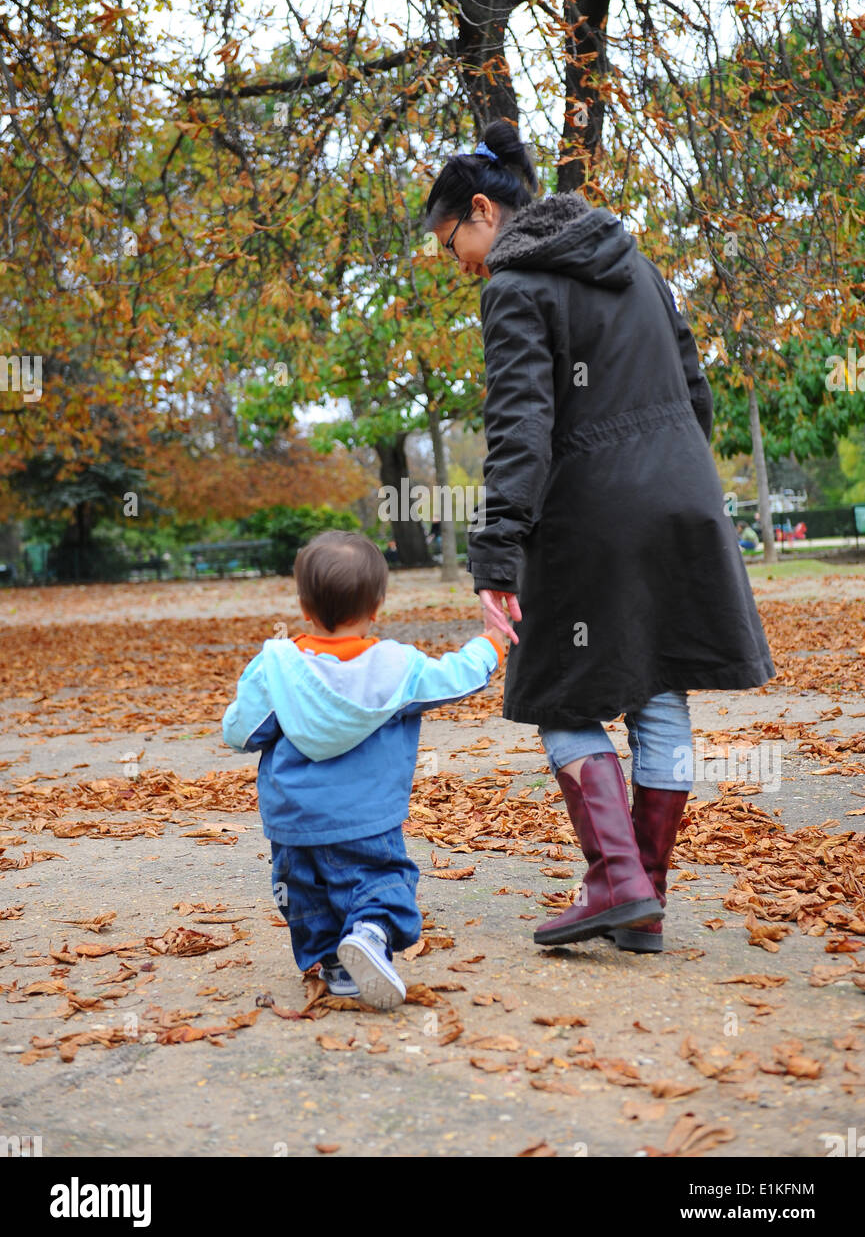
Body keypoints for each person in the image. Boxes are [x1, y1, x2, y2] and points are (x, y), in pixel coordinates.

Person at [424, 120, 775, 954]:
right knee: (658, 687)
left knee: (558, 689)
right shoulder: (637, 264)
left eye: (453, 243)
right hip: (679, 501)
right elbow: (693, 385)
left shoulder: (514, 287)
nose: (458, 263)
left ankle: (616, 880)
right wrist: (677, 474)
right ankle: (641, 899)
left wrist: (496, 551)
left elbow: (519, 430)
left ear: (483, 209)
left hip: (591, 512)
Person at [222, 530, 506, 1008]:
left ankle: (337, 965)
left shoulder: (276, 668)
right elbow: (453, 678)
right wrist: (490, 644)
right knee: (380, 882)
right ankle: (372, 933)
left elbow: (240, 733)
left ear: (304, 606)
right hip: (365, 817)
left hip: (294, 822)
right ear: (376, 607)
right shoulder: (396, 668)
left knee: (306, 899)